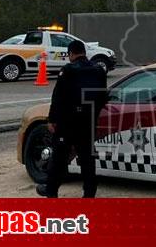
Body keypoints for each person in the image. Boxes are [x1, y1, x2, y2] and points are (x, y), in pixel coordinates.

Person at [37, 40, 108, 198]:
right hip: (87, 122)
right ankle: (89, 194)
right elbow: (103, 97)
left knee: (59, 159)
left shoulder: (68, 70)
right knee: (87, 160)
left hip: (68, 123)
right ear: (84, 52)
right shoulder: (98, 70)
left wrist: (52, 120)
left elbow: (58, 97)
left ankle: (51, 191)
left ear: (71, 54)